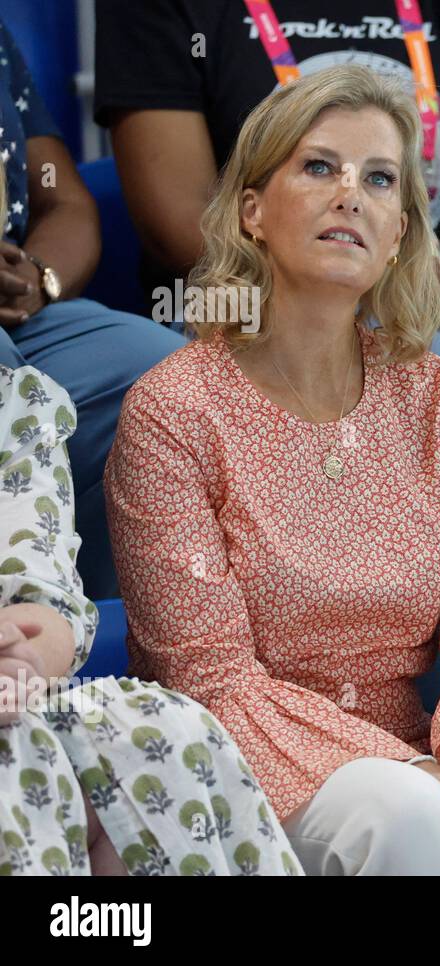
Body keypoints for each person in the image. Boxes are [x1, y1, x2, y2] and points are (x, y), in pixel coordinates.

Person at [104, 65, 440, 876]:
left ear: (397, 240)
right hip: (240, 771)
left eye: (380, 179)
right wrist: (417, 771)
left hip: (413, 752)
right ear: (252, 214)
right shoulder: (172, 413)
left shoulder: (438, 397)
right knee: (410, 811)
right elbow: (209, 681)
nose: (351, 193)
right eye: (318, 167)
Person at [94, 0, 440, 594]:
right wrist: (387, 276)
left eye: (377, 179)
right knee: (413, 365)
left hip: (439, 292)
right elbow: (179, 222)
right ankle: (409, 654)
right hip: (266, 306)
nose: (349, 190)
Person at [0, 141, 298, 877]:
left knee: (156, 732)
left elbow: (45, 593)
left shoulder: (17, 406)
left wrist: (40, 643)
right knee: (24, 761)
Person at [0, 18, 186, 601]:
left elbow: (63, 198)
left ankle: (132, 637)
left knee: (165, 379)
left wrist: (36, 277)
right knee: (12, 393)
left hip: (20, 305)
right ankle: (33, 631)